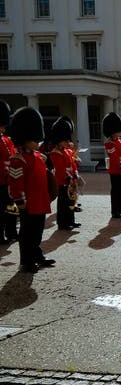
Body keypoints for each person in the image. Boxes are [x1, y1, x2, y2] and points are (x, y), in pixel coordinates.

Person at [8, 106, 54, 273]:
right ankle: (26, 261)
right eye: (35, 139)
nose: (38, 142)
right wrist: (20, 201)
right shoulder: (18, 160)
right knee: (26, 234)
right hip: (28, 204)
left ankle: (36, 255)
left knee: (37, 233)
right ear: (25, 138)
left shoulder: (38, 157)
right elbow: (15, 184)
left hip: (40, 202)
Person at [49, 116, 80, 231]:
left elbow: (73, 164)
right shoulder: (55, 153)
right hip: (63, 181)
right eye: (65, 140)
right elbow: (60, 168)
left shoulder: (67, 151)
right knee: (63, 203)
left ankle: (70, 221)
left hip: (70, 180)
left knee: (71, 201)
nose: (67, 142)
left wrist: (75, 173)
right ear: (58, 140)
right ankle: (62, 223)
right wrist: (68, 178)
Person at [102, 111, 121, 218]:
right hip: (115, 170)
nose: (118, 133)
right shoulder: (109, 143)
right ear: (111, 131)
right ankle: (115, 211)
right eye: (116, 131)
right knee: (116, 191)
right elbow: (114, 158)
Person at [0, 100, 18, 245]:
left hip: (10, 178)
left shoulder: (7, 140)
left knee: (12, 207)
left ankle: (12, 232)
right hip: (1, 179)